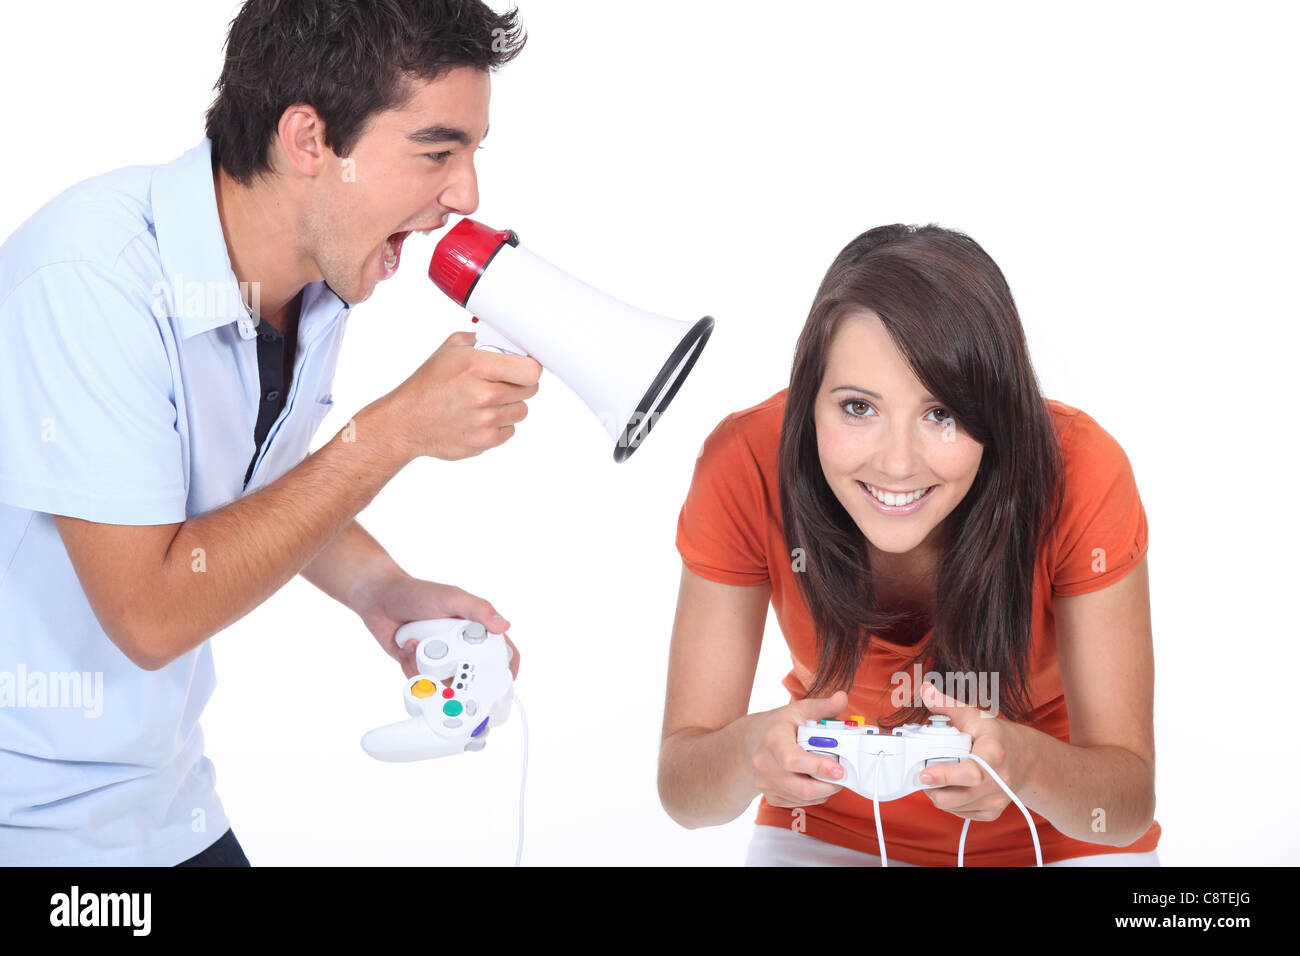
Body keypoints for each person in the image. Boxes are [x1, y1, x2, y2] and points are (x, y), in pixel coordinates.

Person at [0, 0, 540, 866]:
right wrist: (392, 432)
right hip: (32, 825)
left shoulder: (314, 279)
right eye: (437, 152)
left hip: (165, 804)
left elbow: (259, 485)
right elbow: (151, 614)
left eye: (472, 154)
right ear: (307, 140)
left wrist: (380, 590)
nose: (465, 196)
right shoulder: (89, 284)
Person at [659, 223, 1160, 866]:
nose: (898, 465)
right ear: (809, 398)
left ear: (997, 410)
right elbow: (683, 790)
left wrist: (1022, 765)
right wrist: (751, 751)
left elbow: (1122, 810)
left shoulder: (1082, 468)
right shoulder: (745, 461)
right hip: (828, 824)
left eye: (942, 413)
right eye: (858, 408)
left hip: (1055, 833)